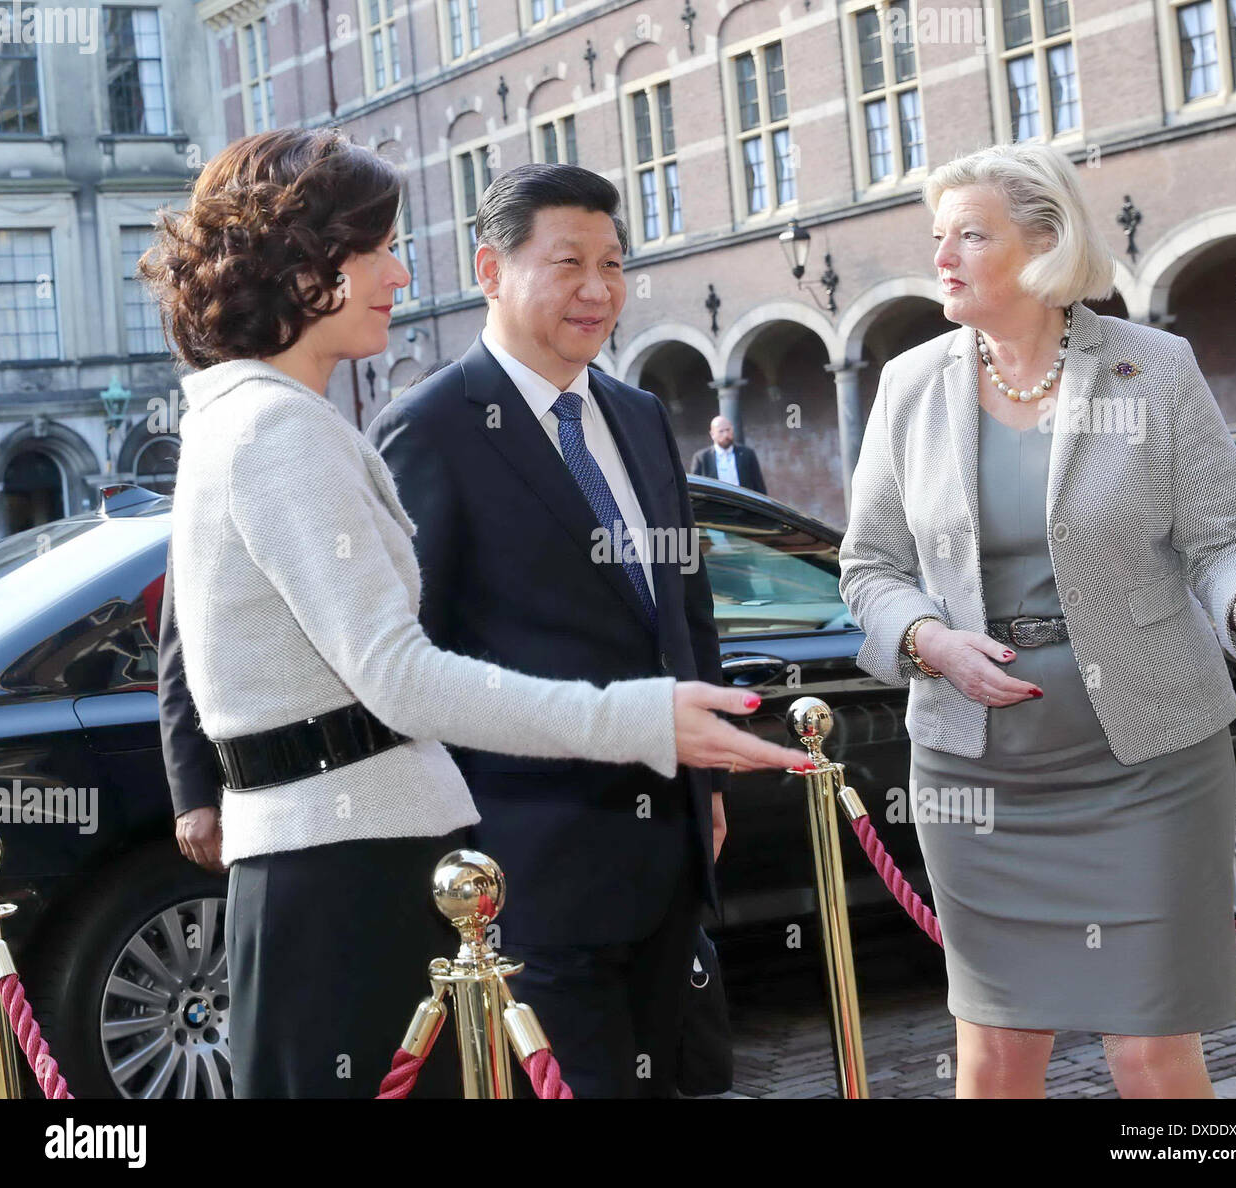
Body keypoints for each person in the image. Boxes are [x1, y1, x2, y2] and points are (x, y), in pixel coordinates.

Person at [141, 129, 810, 1100]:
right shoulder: (286, 430)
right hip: (374, 877)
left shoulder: (249, 417)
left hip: (369, 869)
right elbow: (398, 673)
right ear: (302, 262)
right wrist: (637, 717)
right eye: (378, 249)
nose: (401, 274)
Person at [838, 140, 1236, 1100]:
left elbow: (1221, 540)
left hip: (1150, 761)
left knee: (1150, 1048)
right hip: (977, 773)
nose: (942, 258)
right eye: (938, 236)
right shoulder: (910, 385)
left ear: (1045, 244)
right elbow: (871, 567)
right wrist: (927, 640)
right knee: (997, 1050)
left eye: (971, 235)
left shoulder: (1153, 367)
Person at [365, 162, 749, 1098]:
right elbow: (408, 658)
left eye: (612, 264)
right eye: (568, 262)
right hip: (527, 868)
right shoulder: (429, 429)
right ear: (490, 270)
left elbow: (683, 606)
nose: (598, 289)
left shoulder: (639, 415)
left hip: (668, 855)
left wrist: (708, 779)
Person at [690, 415, 767, 494]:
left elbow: (759, 485)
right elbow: (695, 488)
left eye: (728, 430)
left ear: (732, 430)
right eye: (721, 431)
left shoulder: (747, 454)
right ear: (712, 434)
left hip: (742, 500)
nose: (726, 435)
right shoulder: (702, 458)